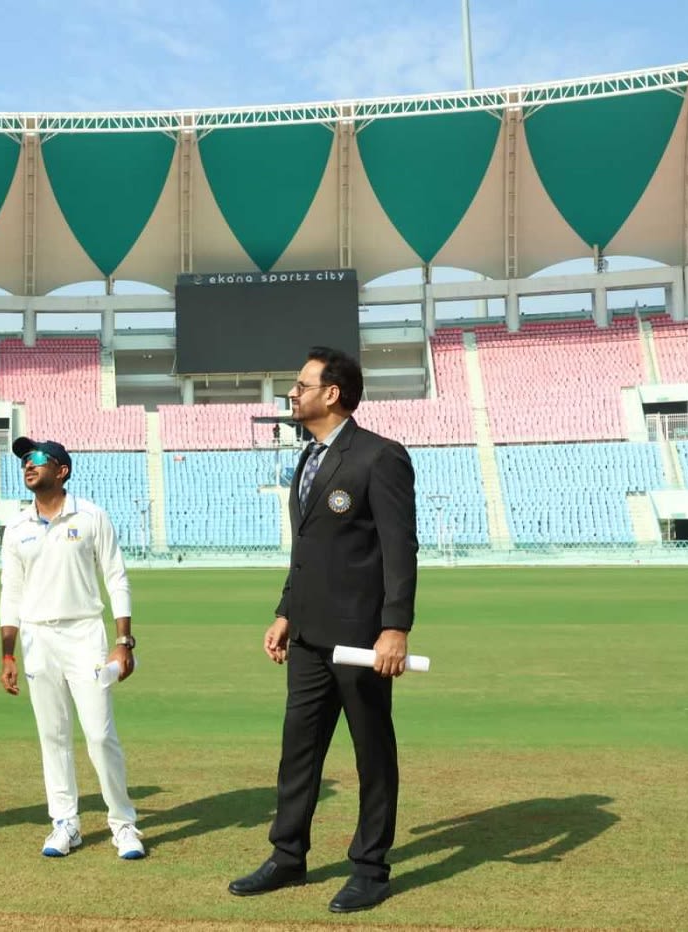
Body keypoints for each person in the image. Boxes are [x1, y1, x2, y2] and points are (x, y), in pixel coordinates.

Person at [228, 346, 418, 913]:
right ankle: (288, 856)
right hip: (309, 635)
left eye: (301, 384)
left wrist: (395, 628)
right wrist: (286, 611)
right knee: (298, 750)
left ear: (331, 393)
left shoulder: (379, 457)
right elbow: (306, 551)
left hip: (361, 638)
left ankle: (370, 867)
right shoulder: (309, 458)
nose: (292, 392)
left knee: (371, 753)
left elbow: (398, 549)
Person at [0, 436, 145, 860]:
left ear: (62, 470)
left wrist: (123, 641)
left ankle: (123, 824)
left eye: (38, 458)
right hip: (37, 637)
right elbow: (11, 592)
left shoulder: (91, 515)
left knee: (100, 734)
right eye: (25, 459)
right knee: (53, 736)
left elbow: (116, 577)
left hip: (85, 635)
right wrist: (7, 653)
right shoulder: (17, 527)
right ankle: (65, 822)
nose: (29, 464)